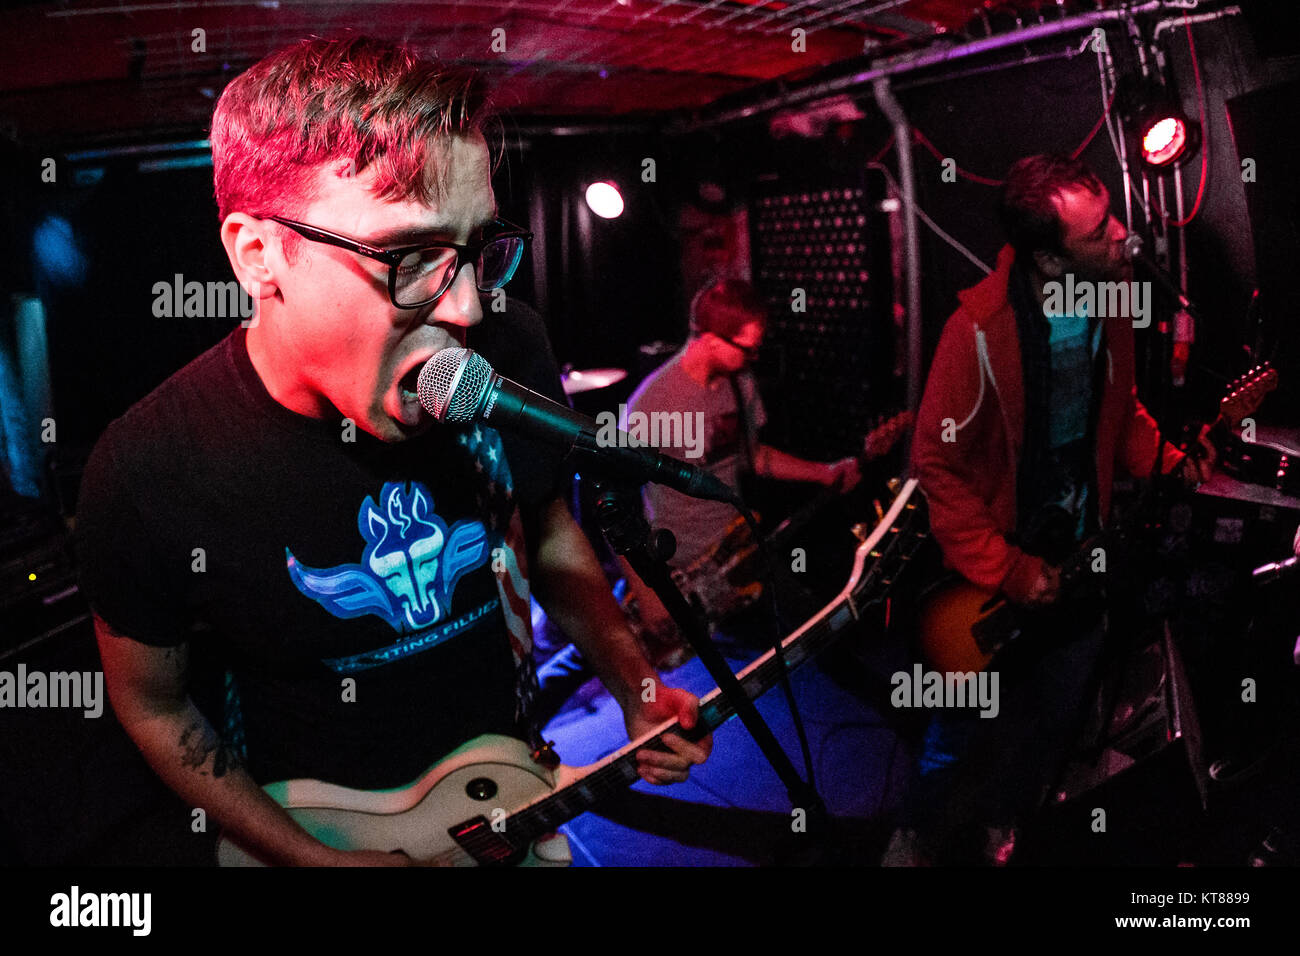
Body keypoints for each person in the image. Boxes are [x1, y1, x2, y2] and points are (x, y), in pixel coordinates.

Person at [73, 36, 711, 867]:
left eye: (478, 250)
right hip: (315, 824)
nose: (471, 307)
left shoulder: (509, 348)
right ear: (258, 256)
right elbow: (153, 708)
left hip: (503, 786)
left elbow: (551, 534)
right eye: (410, 258)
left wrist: (636, 684)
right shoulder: (149, 469)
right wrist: (312, 860)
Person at [899, 153, 1215, 865]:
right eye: (1100, 230)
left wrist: (1167, 461)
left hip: (1081, 560)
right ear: (1046, 252)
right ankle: (916, 834)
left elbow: (1121, 410)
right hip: (995, 575)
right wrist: (1006, 569)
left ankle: (1004, 826)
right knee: (957, 729)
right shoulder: (975, 330)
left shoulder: (1111, 293)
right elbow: (937, 465)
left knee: (1050, 720)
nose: (1124, 237)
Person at [619, 278, 864, 654]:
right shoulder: (652, 405)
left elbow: (756, 456)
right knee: (629, 656)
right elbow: (613, 503)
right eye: (748, 349)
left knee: (818, 634)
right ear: (711, 340)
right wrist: (643, 589)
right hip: (679, 566)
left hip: (738, 546)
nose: (754, 358)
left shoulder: (740, 383)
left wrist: (826, 472)